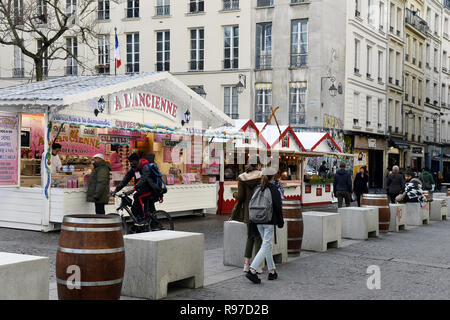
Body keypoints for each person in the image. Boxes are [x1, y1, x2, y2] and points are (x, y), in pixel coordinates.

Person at [245, 167, 284, 284]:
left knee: (266, 245)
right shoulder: (274, 190)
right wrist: (280, 221)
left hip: (257, 220)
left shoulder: (258, 188)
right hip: (269, 220)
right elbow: (278, 207)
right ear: (273, 177)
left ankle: (272, 271)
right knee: (266, 244)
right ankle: (252, 269)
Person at [230, 155, 263, 273]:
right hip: (260, 210)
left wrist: (234, 195)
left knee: (250, 236)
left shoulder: (242, 178)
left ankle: (246, 264)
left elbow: (241, 197)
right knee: (259, 237)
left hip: (248, 211)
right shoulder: (262, 176)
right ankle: (257, 265)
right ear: (258, 164)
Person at [112, 153, 160, 222]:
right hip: (141, 189)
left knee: (137, 196)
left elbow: (143, 179)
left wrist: (134, 189)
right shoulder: (133, 169)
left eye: (132, 161)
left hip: (150, 189)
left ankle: (144, 218)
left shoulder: (144, 167)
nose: (131, 163)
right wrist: (116, 190)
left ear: (137, 160)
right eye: (130, 161)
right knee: (134, 209)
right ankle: (138, 224)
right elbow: (125, 180)